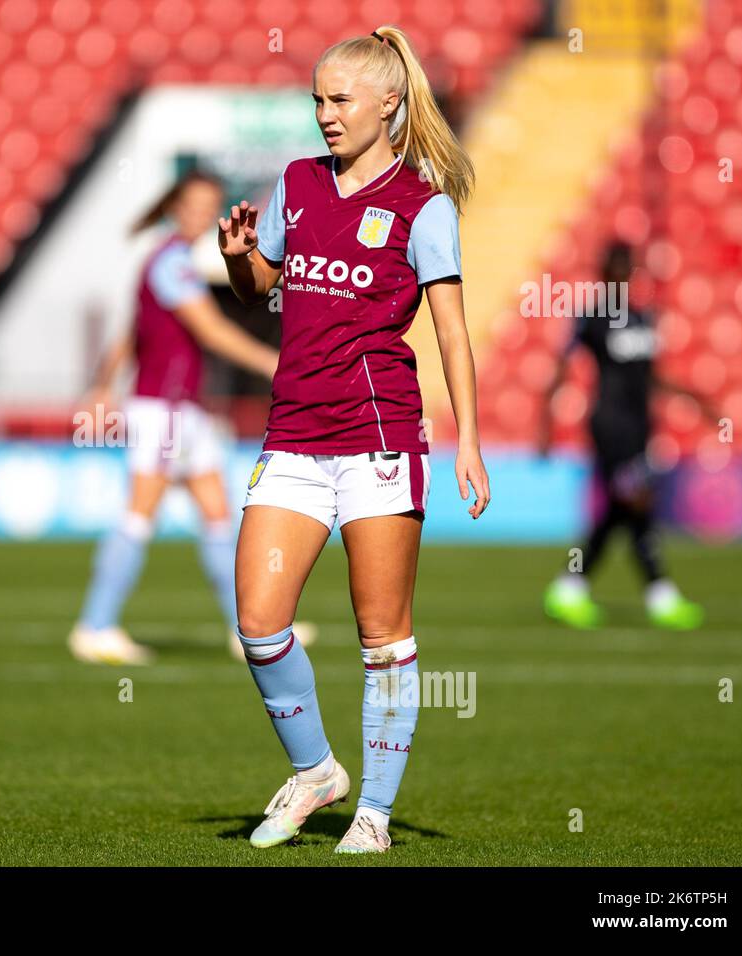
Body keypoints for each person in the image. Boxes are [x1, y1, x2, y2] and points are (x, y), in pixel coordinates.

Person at [218, 26, 488, 854]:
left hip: (379, 442)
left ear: (388, 103)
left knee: (384, 636)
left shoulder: (423, 204)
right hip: (294, 436)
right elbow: (260, 282)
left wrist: (469, 440)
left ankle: (373, 812)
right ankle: (317, 773)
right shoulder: (297, 182)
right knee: (259, 624)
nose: (324, 115)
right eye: (316, 101)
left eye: (338, 101)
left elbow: (450, 333)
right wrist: (236, 259)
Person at [70, 170, 307, 665]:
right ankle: (94, 626)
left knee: (220, 519)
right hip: (165, 411)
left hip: (186, 412)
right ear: (176, 206)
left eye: (211, 203)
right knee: (139, 515)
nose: (204, 212)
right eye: (196, 203)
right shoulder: (172, 263)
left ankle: (246, 628)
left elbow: (129, 335)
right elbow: (211, 330)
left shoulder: (168, 262)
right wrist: (275, 363)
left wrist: (101, 383)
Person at [539, 240, 707, 630]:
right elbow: (562, 367)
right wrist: (546, 424)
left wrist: (699, 401)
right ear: (604, 272)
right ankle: (660, 595)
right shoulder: (594, 318)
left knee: (622, 510)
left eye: (626, 267)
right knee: (637, 503)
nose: (621, 273)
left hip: (639, 429)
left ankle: (568, 589)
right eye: (615, 266)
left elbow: (652, 377)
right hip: (611, 427)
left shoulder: (643, 318)